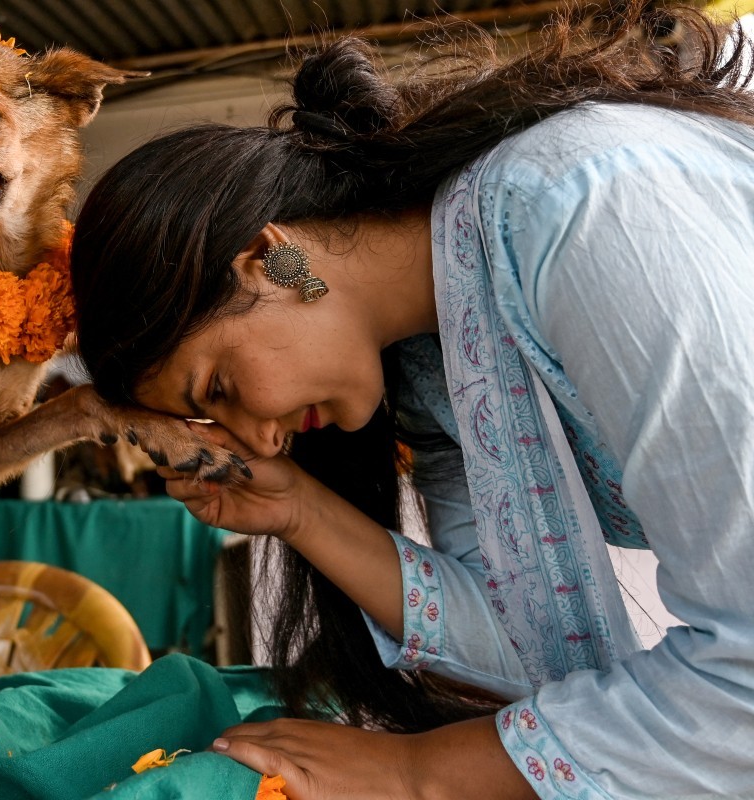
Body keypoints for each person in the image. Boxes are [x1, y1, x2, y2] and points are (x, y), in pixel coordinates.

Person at [69, 4, 754, 798]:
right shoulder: (437, 365)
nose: (254, 441)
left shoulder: (579, 209)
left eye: (218, 389)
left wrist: (414, 771)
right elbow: (527, 646)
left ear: (270, 259)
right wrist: (300, 512)